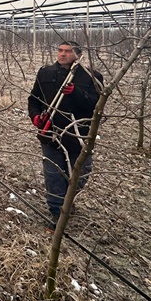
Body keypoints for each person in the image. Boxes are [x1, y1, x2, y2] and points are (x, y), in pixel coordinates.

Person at [27, 41, 103, 229]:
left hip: (78, 136)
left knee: (81, 173)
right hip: (51, 133)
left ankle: (68, 201)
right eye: (60, 50)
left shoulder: (91, 77)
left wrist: (76, 93)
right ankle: (57, 213)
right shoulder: (45, 73)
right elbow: (33, 99)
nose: (62, 54)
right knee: (53, 174)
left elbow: (96, 106)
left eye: (68, 51)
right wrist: (36, 117)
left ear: (78, 54)